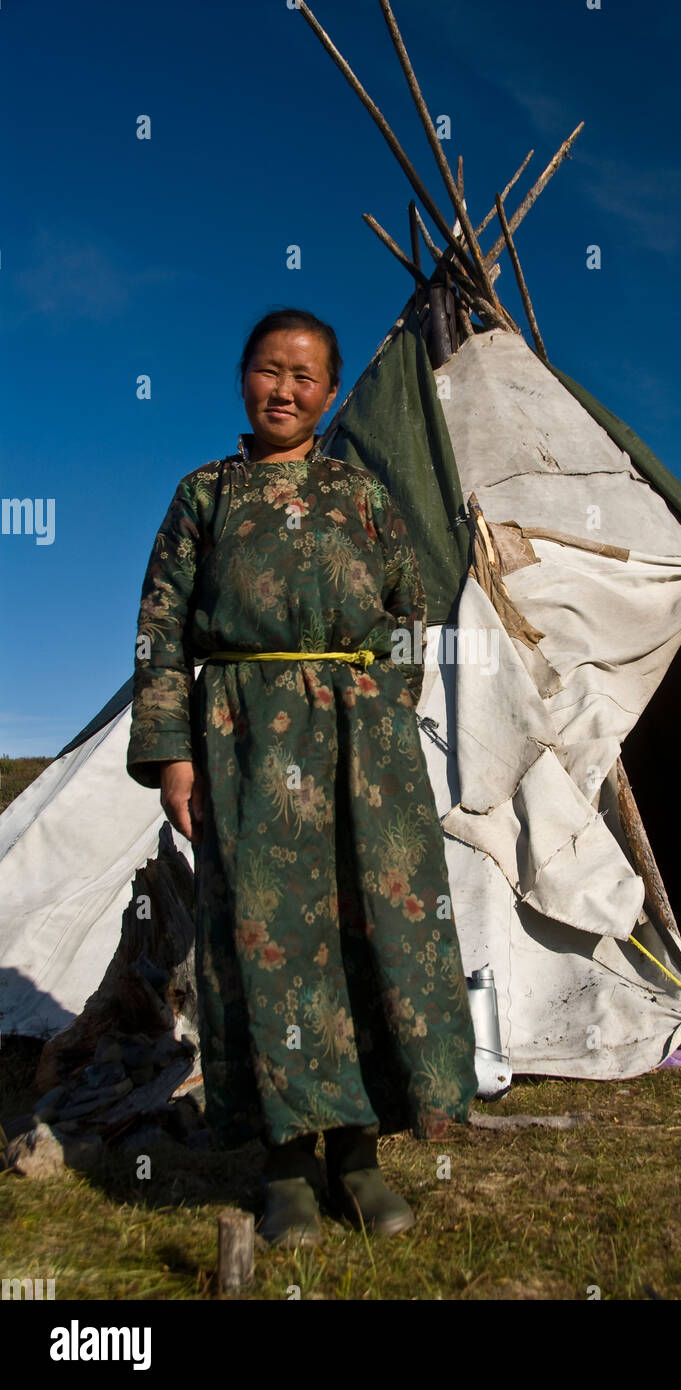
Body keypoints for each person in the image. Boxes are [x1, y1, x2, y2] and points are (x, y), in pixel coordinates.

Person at [126, 307, 478, 1246]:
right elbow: (160, 628)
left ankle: (358, 1157)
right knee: (264, 943)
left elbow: (413, 601)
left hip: (362, 744)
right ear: (243, 377)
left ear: (327, 394)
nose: (284, 389)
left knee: (375, 931)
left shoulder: (363, 495)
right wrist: (173, 756)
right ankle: (283, 1163)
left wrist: (387, 700)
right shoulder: (204, 494)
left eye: (305, 376)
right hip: (242, 736)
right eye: (268, 370)